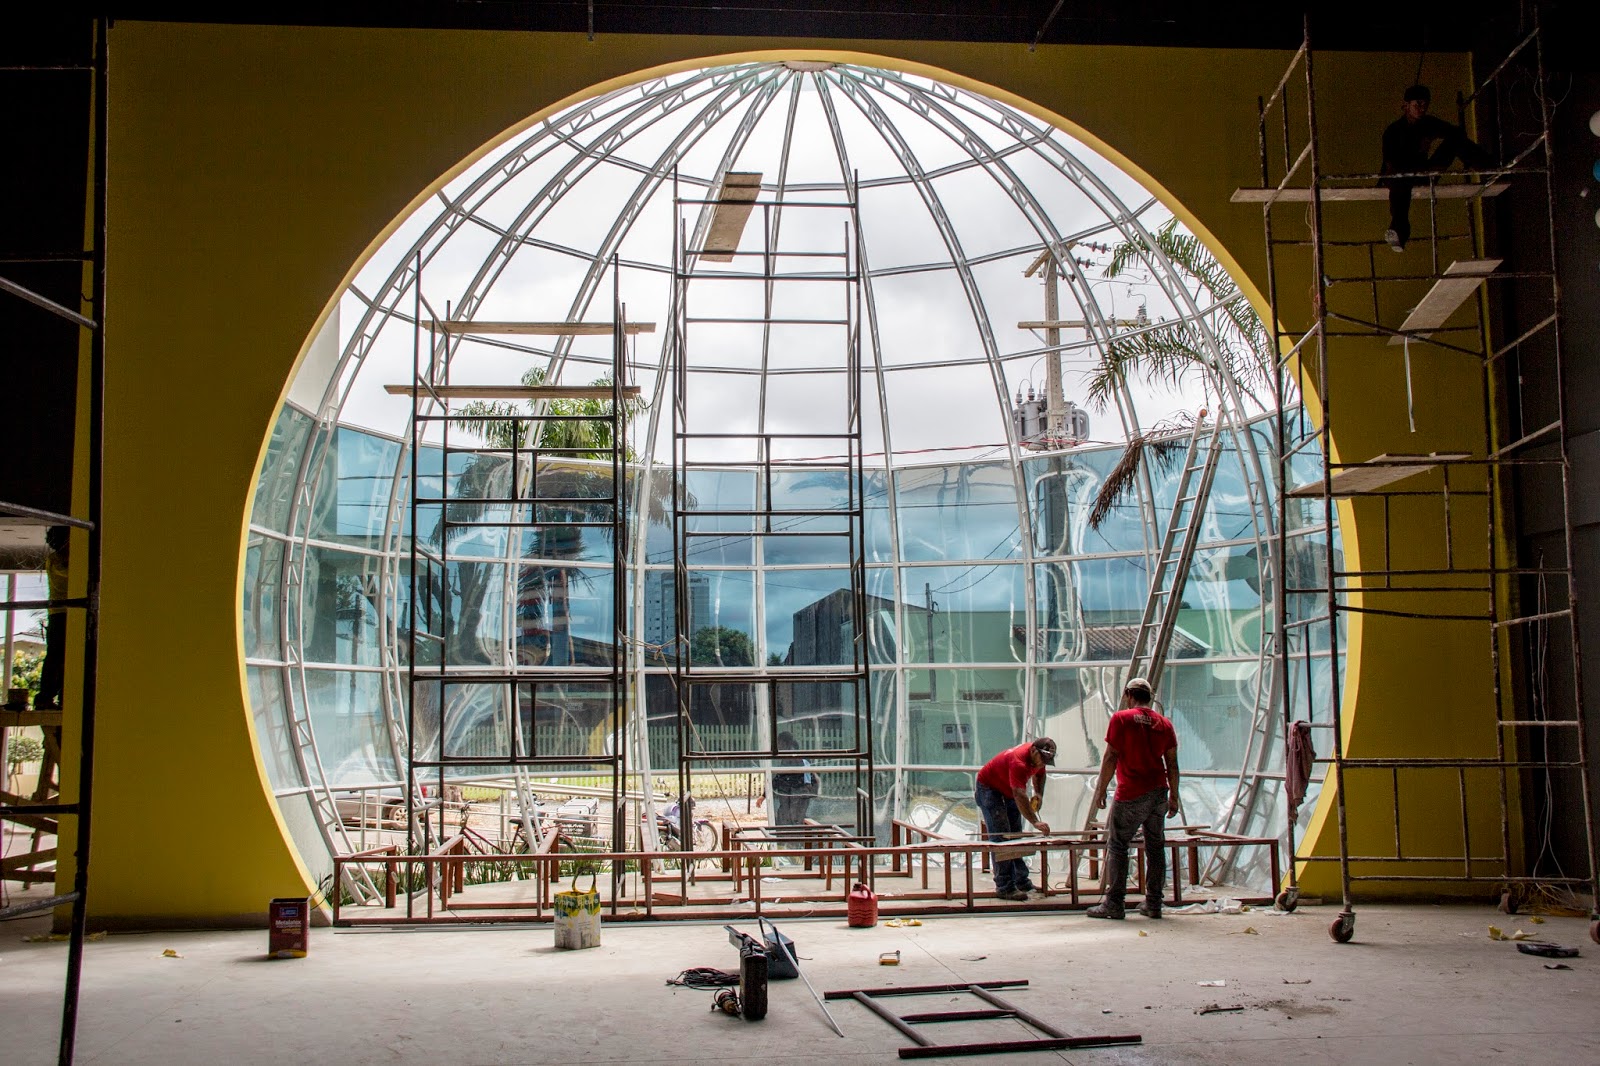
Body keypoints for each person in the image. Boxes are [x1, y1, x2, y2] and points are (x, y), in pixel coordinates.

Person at [1087, 677, 1179, 919]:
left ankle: (1114, 904)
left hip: (1131, 792)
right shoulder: (1164, 724)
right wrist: (1174, 796)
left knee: (1118, 846)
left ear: (1128, 694)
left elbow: (1110, 756)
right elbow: (1172, 763)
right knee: (1155, 847)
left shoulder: (1121, 719)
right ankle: (1154, 903)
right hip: (1158, 792)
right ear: (1150, 696)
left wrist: (1101, 790)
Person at [1380, 84, 1493, 252]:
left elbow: (1456, 133)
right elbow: (1391, 164)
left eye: (1425, 104)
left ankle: (1489, 168)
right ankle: (1398, 234)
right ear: (1406, 105)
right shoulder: (1393, 131)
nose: (1422, 108)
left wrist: (1432, 140)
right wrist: (1416, 149)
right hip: (1398, 175)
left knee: (1455, 142)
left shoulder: (1428, 124)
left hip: (1423, 173)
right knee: (1399, 186)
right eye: (1418, 104)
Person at [974, 735, 1056, 901]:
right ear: (1034, 751)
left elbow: (1040, 775)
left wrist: (1039, 794)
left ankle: (1020, 880)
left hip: (1008, 789)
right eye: (1042, 760)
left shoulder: (1039, 759)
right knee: (1002, 838)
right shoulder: (1018, 762)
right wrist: (1035, 821)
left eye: (1046, 762)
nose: (1042, 765)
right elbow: (1019, 794)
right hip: (989, 789)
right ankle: (1005, 886)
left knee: (1015, 836)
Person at [34, 526, 69, 711]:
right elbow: (67, 572)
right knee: (56, 656)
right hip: (60, 615)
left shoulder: (59, 559)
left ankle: (63, 696)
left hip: (63, 614)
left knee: (63, 657)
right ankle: (46, 697)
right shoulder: (55, 560)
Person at [772, 731, 818, 826]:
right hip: (798, 792)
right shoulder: (792, 756)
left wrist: (767, 792)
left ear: (785, 743)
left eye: (779, 742)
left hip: (798, 792)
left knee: (794, 818)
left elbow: (782, 776)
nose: (778, 746)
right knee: (793, 817)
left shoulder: (792, 757)